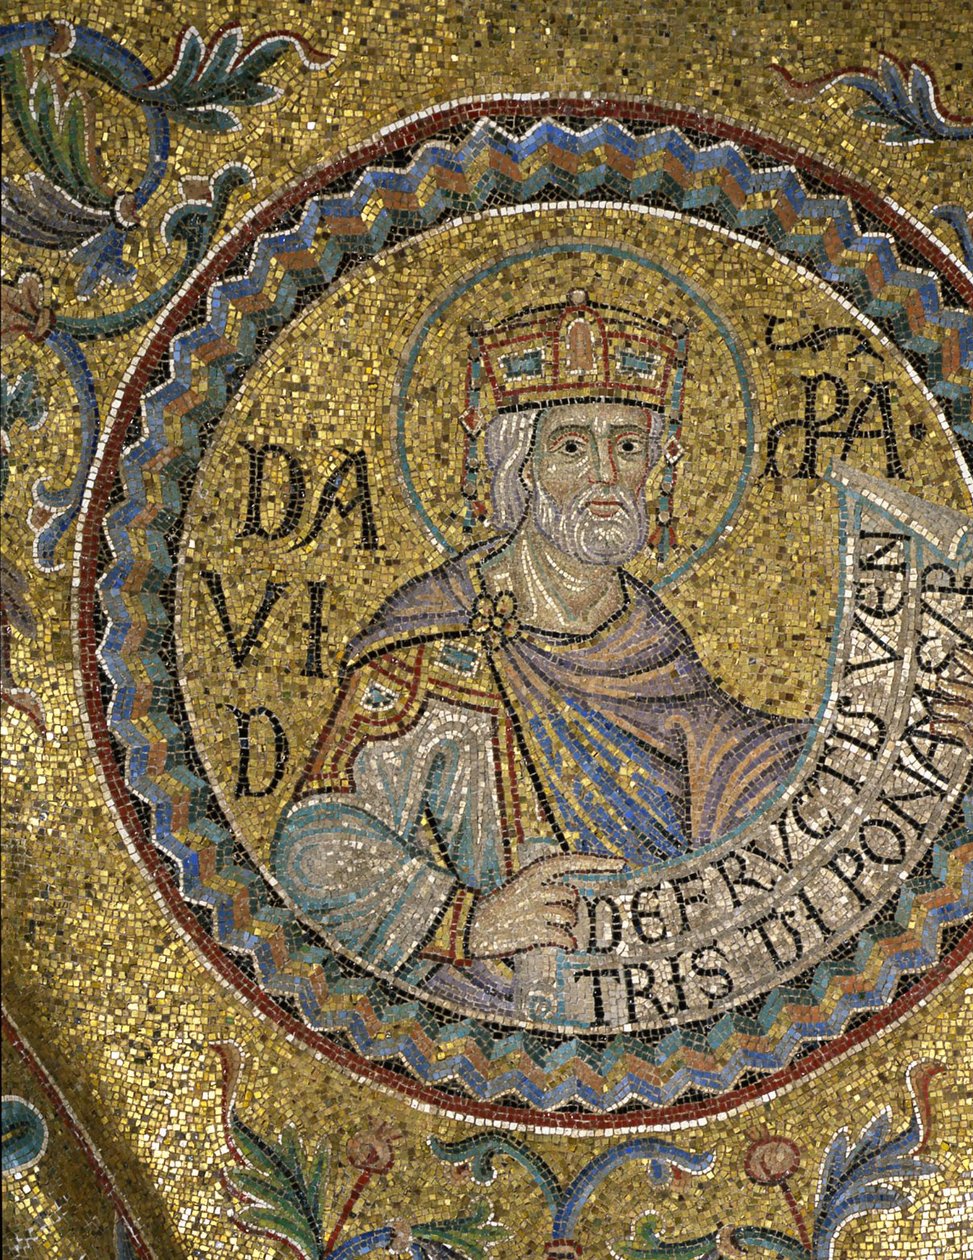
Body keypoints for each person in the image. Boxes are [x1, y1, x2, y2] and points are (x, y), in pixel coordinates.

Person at [271, 291, 810, 1010]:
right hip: (495, 1002)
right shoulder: (437, 635)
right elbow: (316, 845)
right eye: (571, 447)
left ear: (657, 466)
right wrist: (467, 922)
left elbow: (736, 761)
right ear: (520, 466)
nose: (605, 476)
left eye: (627, 446)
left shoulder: (652, 637)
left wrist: (885, 738)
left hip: (661, 994)